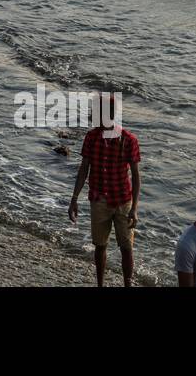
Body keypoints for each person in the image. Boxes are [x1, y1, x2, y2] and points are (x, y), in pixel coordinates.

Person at [67, 94, 141, 286]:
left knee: (126, 246)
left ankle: (128, 283)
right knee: (100, 245)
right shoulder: (91, 137)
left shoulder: (128, 140)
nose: (93, 115)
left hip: (123, 200)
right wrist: (74, 198)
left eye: (96, 111)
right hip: (99, 199)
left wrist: (134, 208)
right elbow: (84, 168)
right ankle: (100, 283)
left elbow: (136, 175)